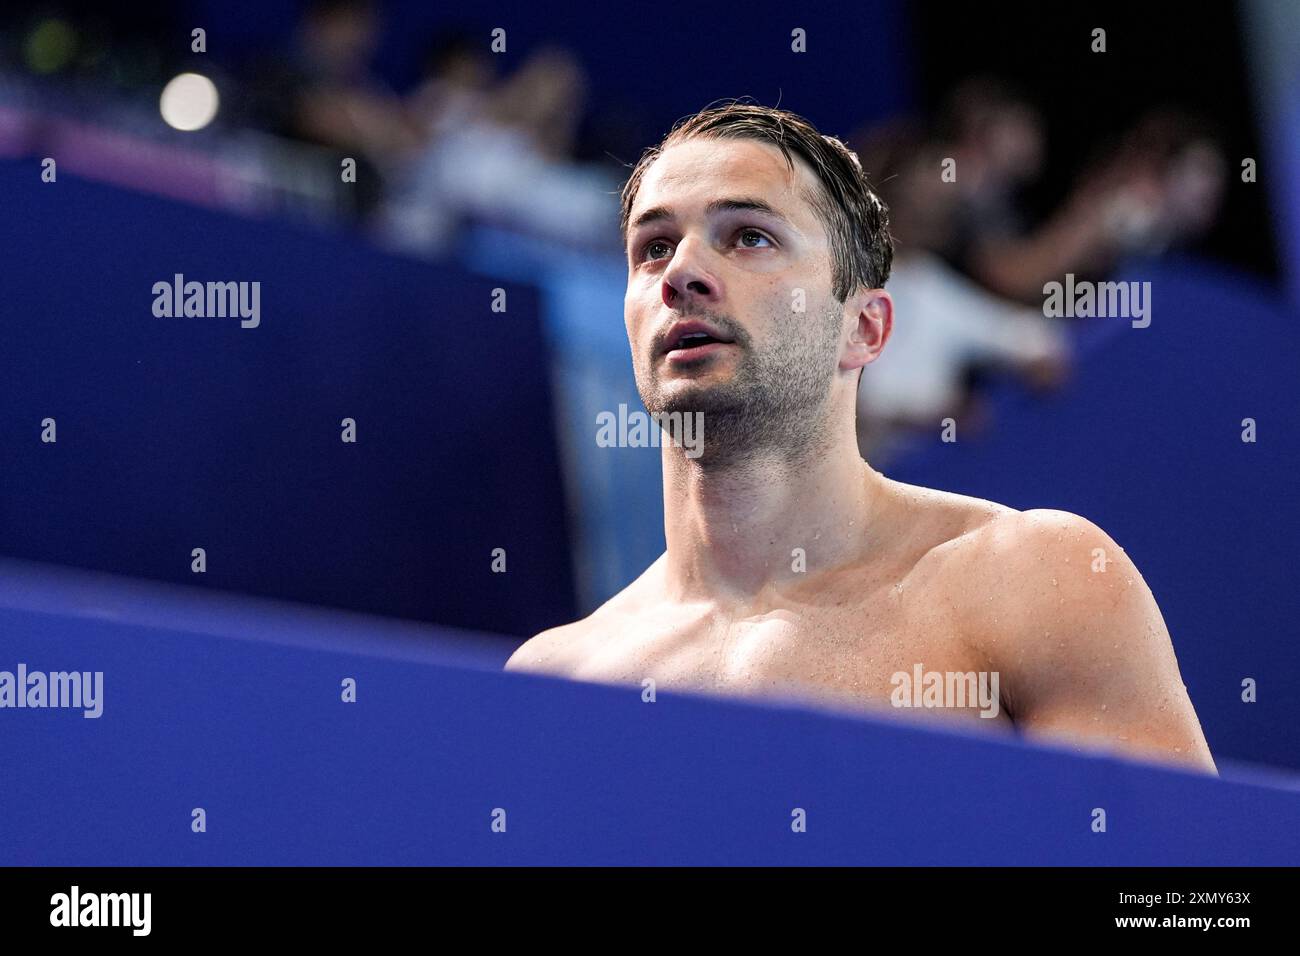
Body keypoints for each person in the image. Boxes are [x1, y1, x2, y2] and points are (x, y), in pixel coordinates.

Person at [505, 100, 1216, 775]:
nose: (682, 274)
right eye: (653, 247)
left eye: (750, 236)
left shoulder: (1037, 581)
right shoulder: (561, 679)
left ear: (864, 327)